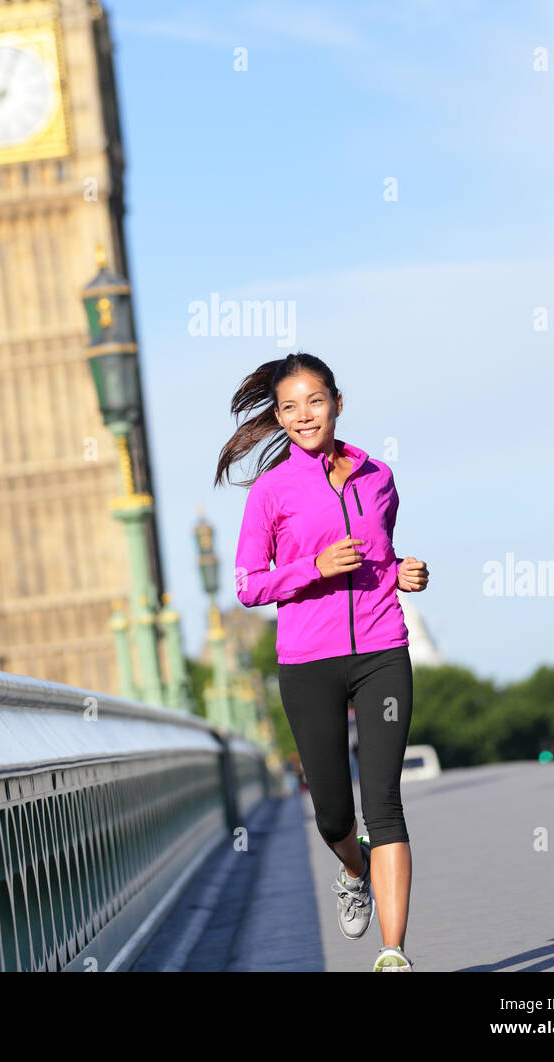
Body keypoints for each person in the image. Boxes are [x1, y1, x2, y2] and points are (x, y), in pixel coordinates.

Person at [215, 352, 429, 973]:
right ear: (279, 418)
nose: (305, 415)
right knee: (333, 811)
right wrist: (315, 568)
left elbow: (379, 559)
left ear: (337, 402)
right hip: (309, 659)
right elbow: (250, 584)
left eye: (315, 401)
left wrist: (404, 572)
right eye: (290, 407)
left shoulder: (378, 476)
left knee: (384, 801)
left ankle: (392, 954)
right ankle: (352, 865)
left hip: (382, 650)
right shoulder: (271, 492)